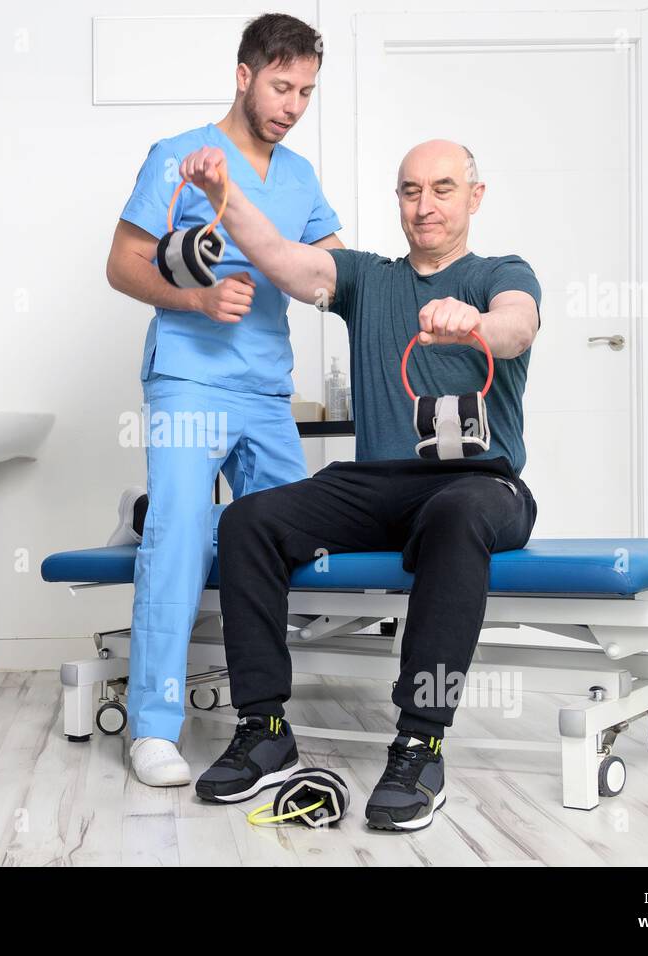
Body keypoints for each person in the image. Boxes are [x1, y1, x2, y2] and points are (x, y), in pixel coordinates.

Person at [182, 139, 541, 830]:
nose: (425, 205)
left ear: (475, 196)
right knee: (246, 521)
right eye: (411, 191)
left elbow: (517, 326)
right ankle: (264, 728)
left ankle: (420, 741)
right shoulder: (368, 279)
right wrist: (225, 196)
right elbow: (288, 261)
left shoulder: (500, 271)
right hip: (378, 482)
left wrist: (475, 325)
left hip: (480, 483)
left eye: (442, 188)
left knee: (457, 513)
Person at [104, 13, 343, 787]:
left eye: (305, 90)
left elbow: (332, 274)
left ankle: (262, 718)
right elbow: (121, 264)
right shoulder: (177, 157)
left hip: (267, 387)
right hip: (190, 377)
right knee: (179, 538)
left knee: (292, 541)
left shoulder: (301, 178)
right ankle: (154, 728)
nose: (292, 104)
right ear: (244, 76)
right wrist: (195, 302)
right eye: (281, 86)